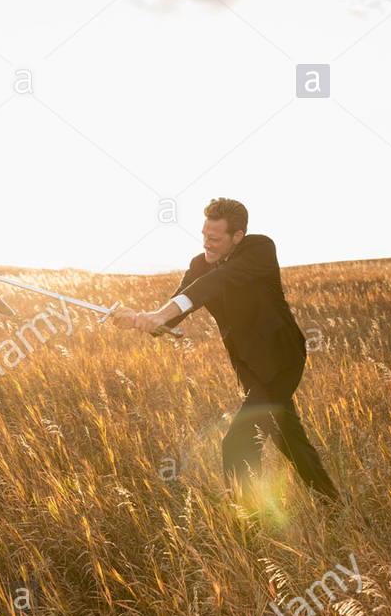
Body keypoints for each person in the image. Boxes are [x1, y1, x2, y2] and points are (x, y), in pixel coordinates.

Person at [113, 197, 340, 506]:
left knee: (236, 443)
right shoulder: (199, 264)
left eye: (215, 238)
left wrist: (160, 314)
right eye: (204, 234)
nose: (207, 242)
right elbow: (176, 310)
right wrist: (138, 319)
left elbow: (213, 284)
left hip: (281, 360)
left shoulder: (260, 249)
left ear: (238, 236)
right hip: (248, 367)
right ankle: (333, 504)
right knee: (289, 437)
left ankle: (250, 519)